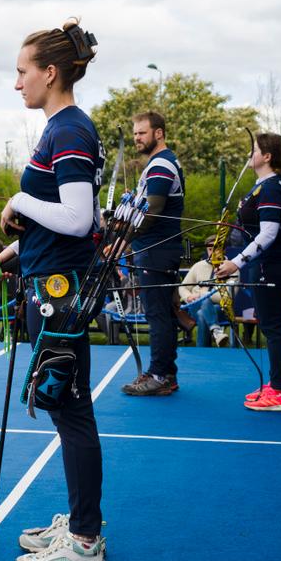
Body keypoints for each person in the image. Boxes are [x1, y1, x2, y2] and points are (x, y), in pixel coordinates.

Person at [0, 16, 108, 561]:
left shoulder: (69, 131)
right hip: (48, 278)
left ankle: (86, 542)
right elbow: (67, 220)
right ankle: (82, 522)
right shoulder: (60, 129)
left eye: (23, 72)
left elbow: (78, 216)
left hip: (61, 294)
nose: (17, 83)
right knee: (67, 412)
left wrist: (20, 198)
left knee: (70, 411)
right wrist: (21, 246)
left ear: (51, 72)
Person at [213, 132, 281, 411]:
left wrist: (235, 262)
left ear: (267, 156)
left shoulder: (272, 188)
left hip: (271, 264)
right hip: (267, 264)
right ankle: (275, 384)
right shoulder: (266, 186)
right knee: (270, 324)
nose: (251, 154)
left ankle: (280, 392)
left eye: (255, 150)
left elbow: (269, 233)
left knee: (274, 326)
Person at [121, 111, 186, 396]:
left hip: (156, 250)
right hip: (157, 250)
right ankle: (164, 372)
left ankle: (160, 375)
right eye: (135, 133)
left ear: (158, 133)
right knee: (162, 314)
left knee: (157, 315)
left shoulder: (161, 163)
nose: (137, 138)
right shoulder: (160, 163)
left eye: (142, 133)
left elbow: (154, 210)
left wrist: (124, 241)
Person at [179, 236, 228, 347]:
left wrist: (202, 294)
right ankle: (216, 332)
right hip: (195, 305)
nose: (213, 252)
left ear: (224, 249)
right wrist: (188, 297)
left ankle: (205, 346)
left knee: (202, 313)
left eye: (216, 248)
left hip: (221, 309)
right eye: (210, 249)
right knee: (203, 305)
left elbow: (227, 297)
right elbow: (182, 287)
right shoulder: (198, 266)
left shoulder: (231, 267)